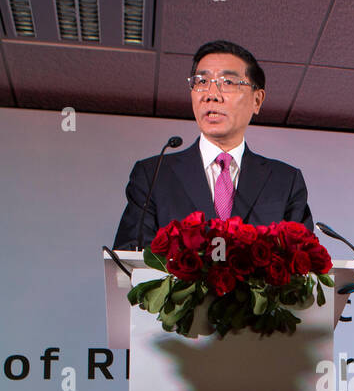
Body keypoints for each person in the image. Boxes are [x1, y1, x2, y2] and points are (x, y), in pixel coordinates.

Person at [112, 40, 314, 249]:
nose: (211, 95)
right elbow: (130, 262)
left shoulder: (285, 181)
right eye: (201, 82)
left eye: (227, 82)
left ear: (257, 100)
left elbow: (302, 265)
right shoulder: (153, 175)